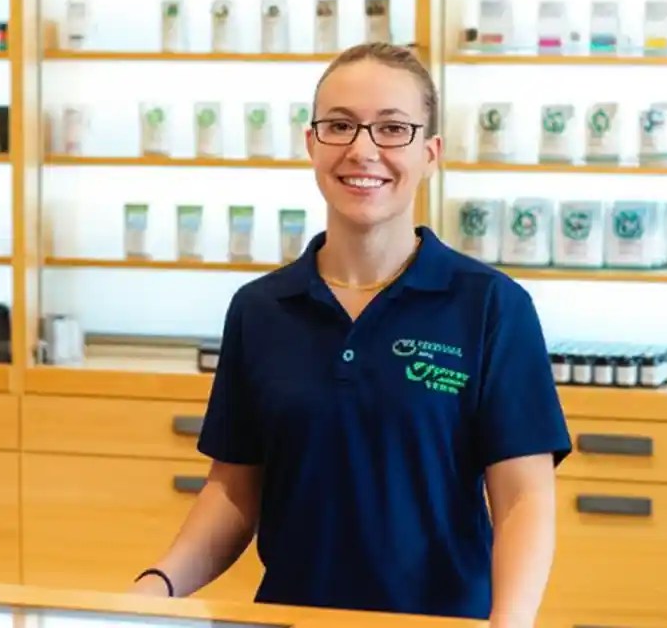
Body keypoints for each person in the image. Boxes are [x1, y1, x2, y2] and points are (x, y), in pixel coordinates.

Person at [129, 42, 572, 627]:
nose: (363, 150)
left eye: (392, 128)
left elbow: (522, 497)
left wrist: (509, 623)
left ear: (430, 153)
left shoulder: (490, 306)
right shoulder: (260, 310)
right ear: (311, 144)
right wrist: (157, 585)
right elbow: (233, 491)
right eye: (339, 126)